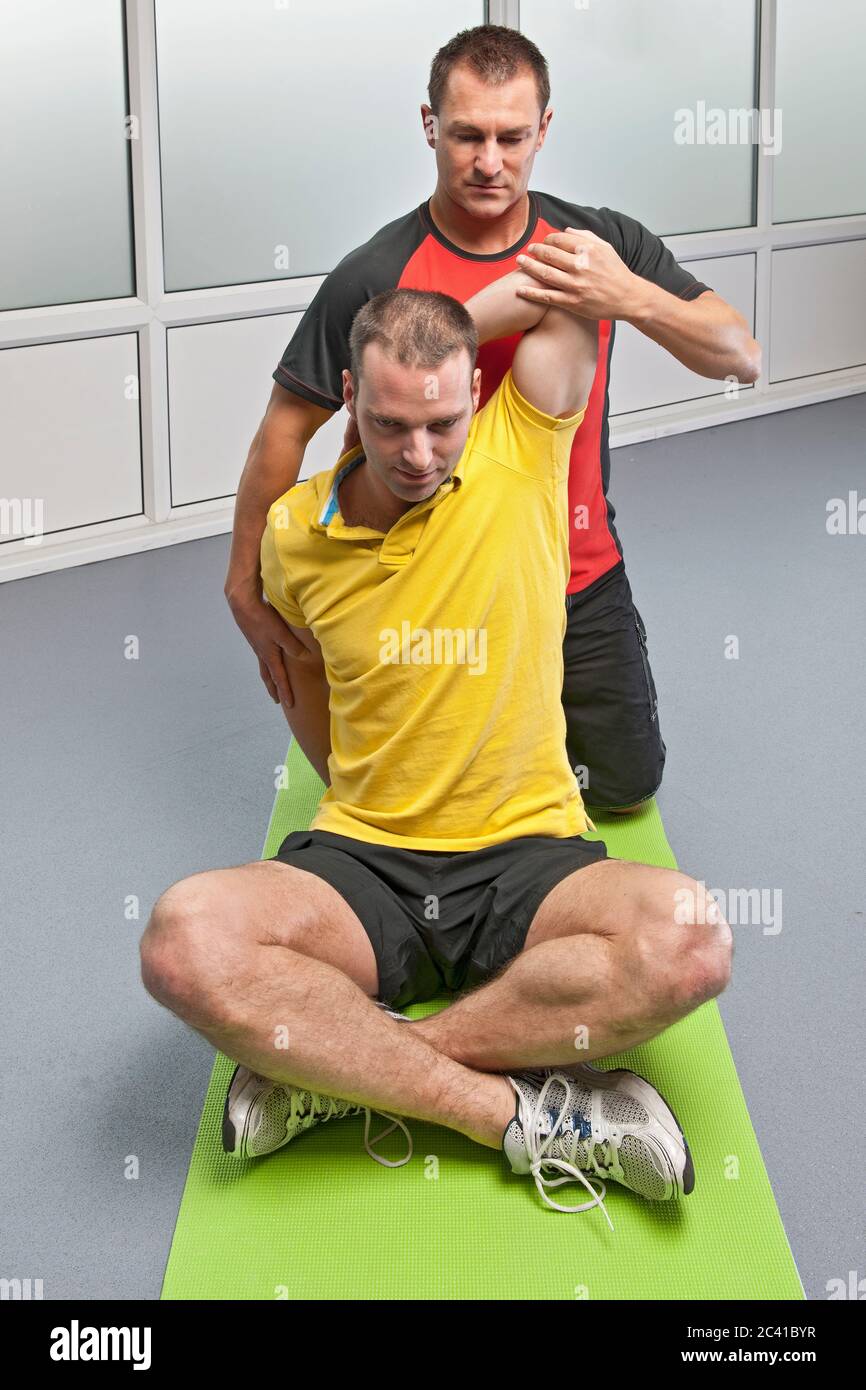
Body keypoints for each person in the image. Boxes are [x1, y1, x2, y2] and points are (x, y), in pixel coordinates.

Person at [140, 277, 733, 1226]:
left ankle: (346, 1073)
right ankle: (516, 1112)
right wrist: (361, 797)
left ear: (472, 400)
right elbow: (313, 693)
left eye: (443, 422)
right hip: (366, 859)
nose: (419, 453)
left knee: (691, 941)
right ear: (348, 398)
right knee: (183, 939)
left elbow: (566, 290)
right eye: (388, 425)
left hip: (528, 854)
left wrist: (455, 329)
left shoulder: (523, 448)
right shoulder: (294, 535)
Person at [224, 23, 760, 815]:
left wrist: (629, 296)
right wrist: (243, 581)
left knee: (621, 788)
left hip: (573, 563)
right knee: (403, 789)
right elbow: (284, 427)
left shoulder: (598, 246)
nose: (489, 162)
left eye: (512, 137)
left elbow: (739, 356)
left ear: (544, 130)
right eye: (467, 134)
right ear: (429, 125)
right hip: (431, 578)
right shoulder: (377, 273)